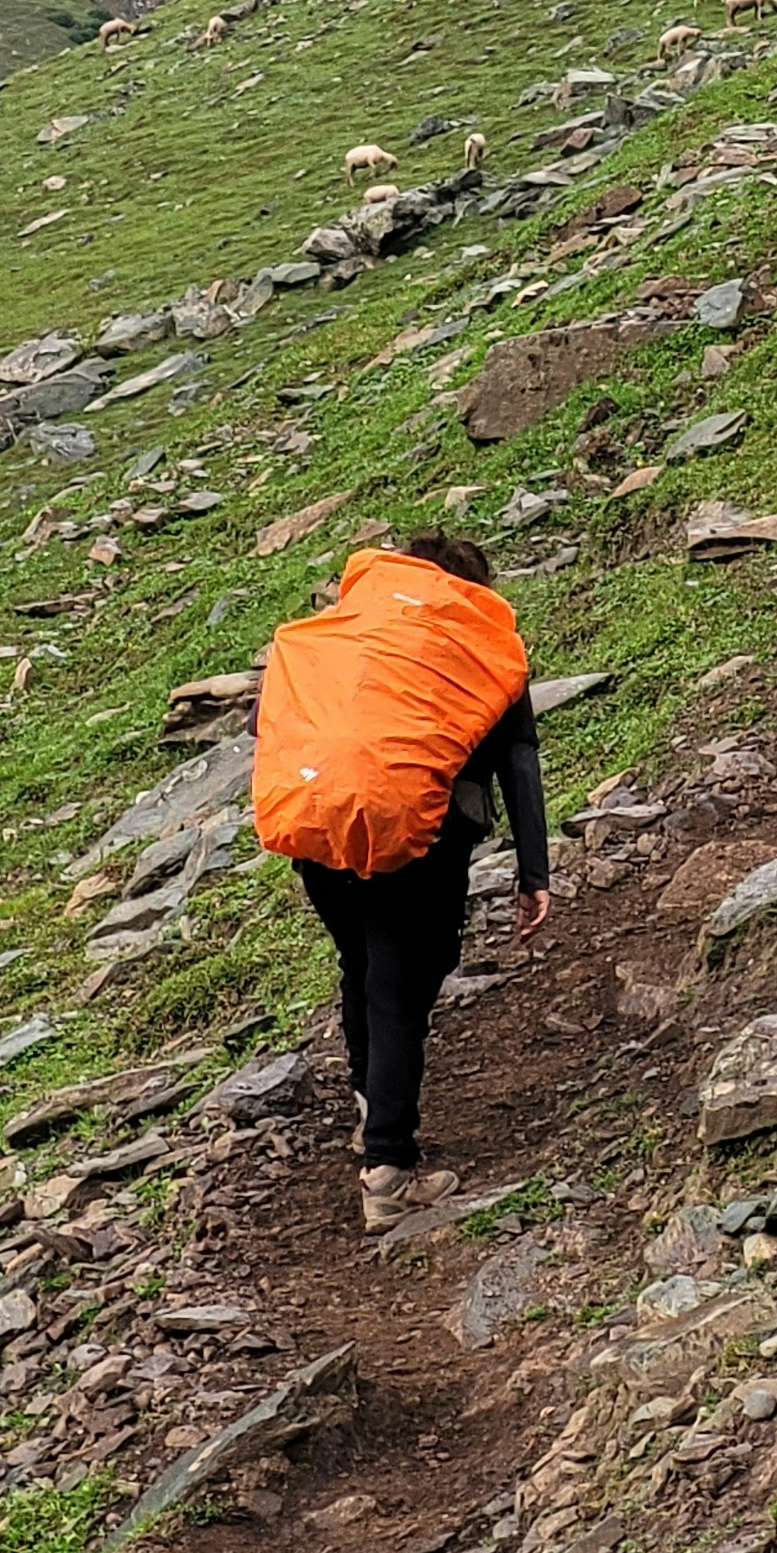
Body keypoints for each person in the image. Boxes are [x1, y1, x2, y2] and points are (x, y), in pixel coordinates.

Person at [252, 529, 550, 1235]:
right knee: (402, 981)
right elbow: (520, 759)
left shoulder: (338, 632)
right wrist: (533, 872)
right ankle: (387, 1169)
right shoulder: (477, 642)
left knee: (361, 964)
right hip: (413, 832)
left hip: (316, 817)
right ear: (473, 587)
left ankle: (371, 1106)